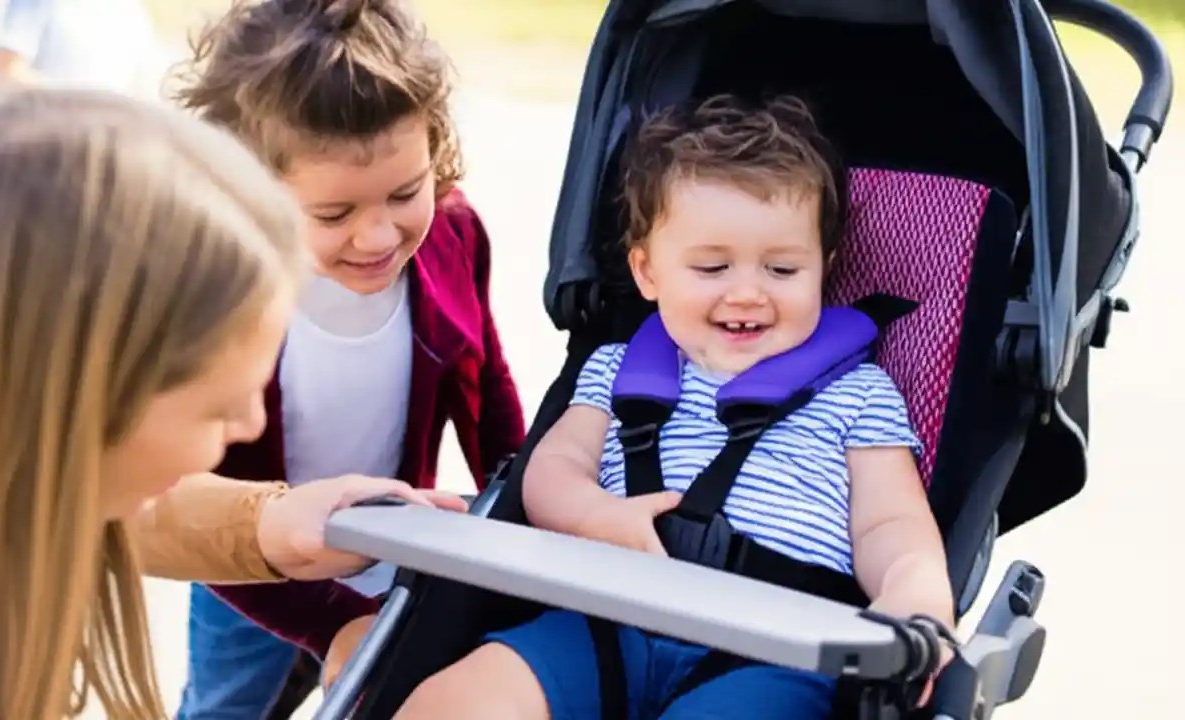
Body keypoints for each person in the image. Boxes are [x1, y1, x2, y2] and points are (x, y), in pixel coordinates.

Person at [0, 87, 465, 720]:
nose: (251, 423)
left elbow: (109, 506)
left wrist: (269, 523)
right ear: (87, 398)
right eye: (218, 407)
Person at [395, 94, 956, 719]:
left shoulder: (860, 394)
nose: (748, 293)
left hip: (774, 655)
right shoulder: (615, 372)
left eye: (782, 269)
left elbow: (892, 525)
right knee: (457, 701)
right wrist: (596, 515)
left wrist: (915, 594)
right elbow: (549, 472)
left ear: (825, 270)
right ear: (647, 272)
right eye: (712, 267)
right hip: (603, 623)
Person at [166, 0, 526, 716]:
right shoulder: (217, 293)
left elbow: (488, 379)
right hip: (250, 576)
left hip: (391, 556)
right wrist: (329, 624)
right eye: (334, 215)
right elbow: (189, 491)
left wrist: (522, 523)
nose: (379, 236)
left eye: (405, 192)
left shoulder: (455, 233)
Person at [0, 0, 160, 98]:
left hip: (108, 145)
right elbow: (6, 75)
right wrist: (80, 105)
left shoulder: (133, 11)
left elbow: (141, 90)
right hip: (47, 140)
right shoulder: (36, 3)